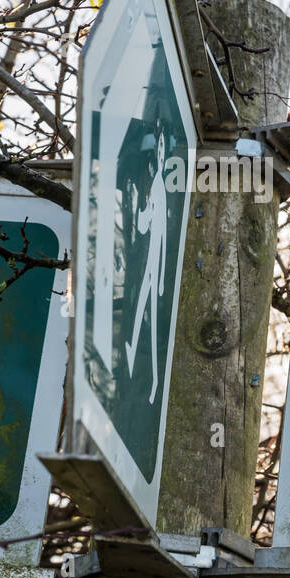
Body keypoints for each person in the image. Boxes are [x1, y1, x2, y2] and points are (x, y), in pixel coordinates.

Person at [123, 131, 169, 403]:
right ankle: (134, 354)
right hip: (150, 267)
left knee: (145, 313)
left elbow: (148, 227)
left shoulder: (159, 187)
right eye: (159, 147)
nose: (160, 152)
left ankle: (152, 380)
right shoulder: (157, 184)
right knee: (141, 309)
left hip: (152, 264)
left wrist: (162, 278)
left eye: (162, 147)